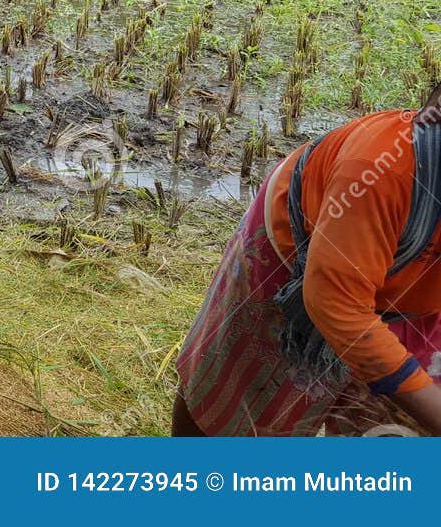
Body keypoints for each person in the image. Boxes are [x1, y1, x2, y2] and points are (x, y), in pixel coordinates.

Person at [173, 86, 441, 436]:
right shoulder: (378, 170)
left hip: (417, 296)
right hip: (300, 260)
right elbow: (338, 304)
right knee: (244, 404)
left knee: (395, 429)